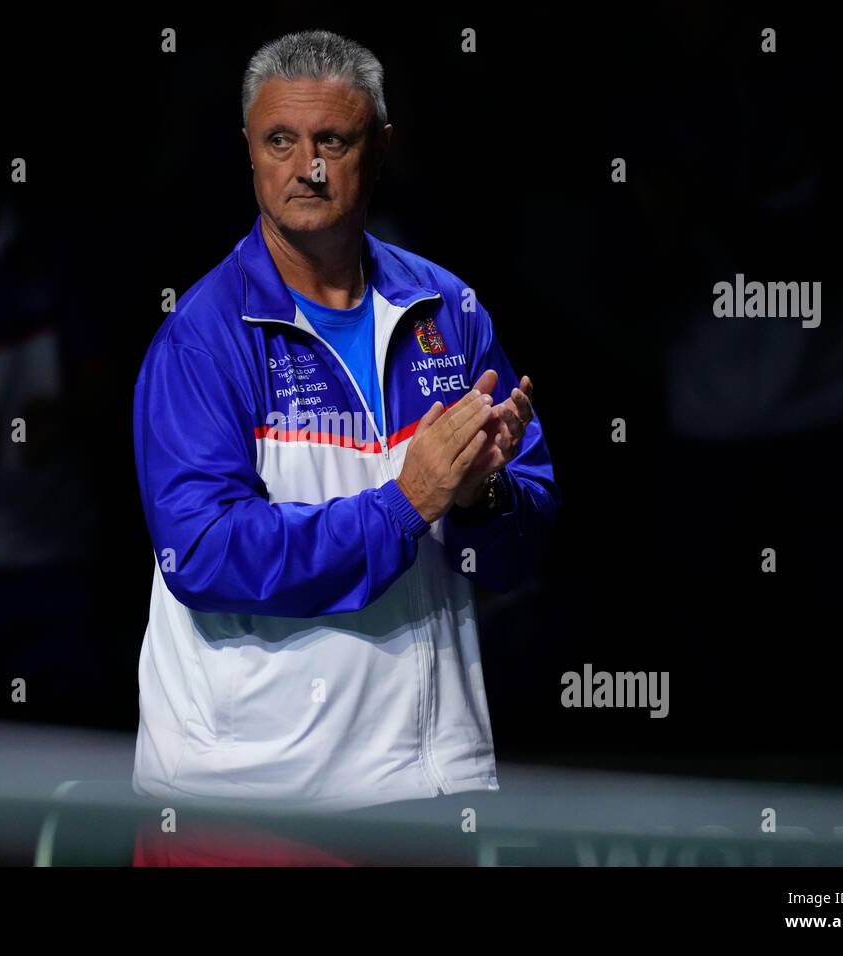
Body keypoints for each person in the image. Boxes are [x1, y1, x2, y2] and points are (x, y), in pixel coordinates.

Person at [130, 29, 560, 864]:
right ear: (248, 153)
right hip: (246, 803)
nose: (308, 168)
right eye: (280, 141)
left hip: (426, 789)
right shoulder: (202, 340)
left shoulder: (450, 311)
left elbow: (518, 547)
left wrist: (484, 500)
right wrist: (407, 505)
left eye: (334, 140)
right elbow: (205, 554)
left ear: (383, 147)